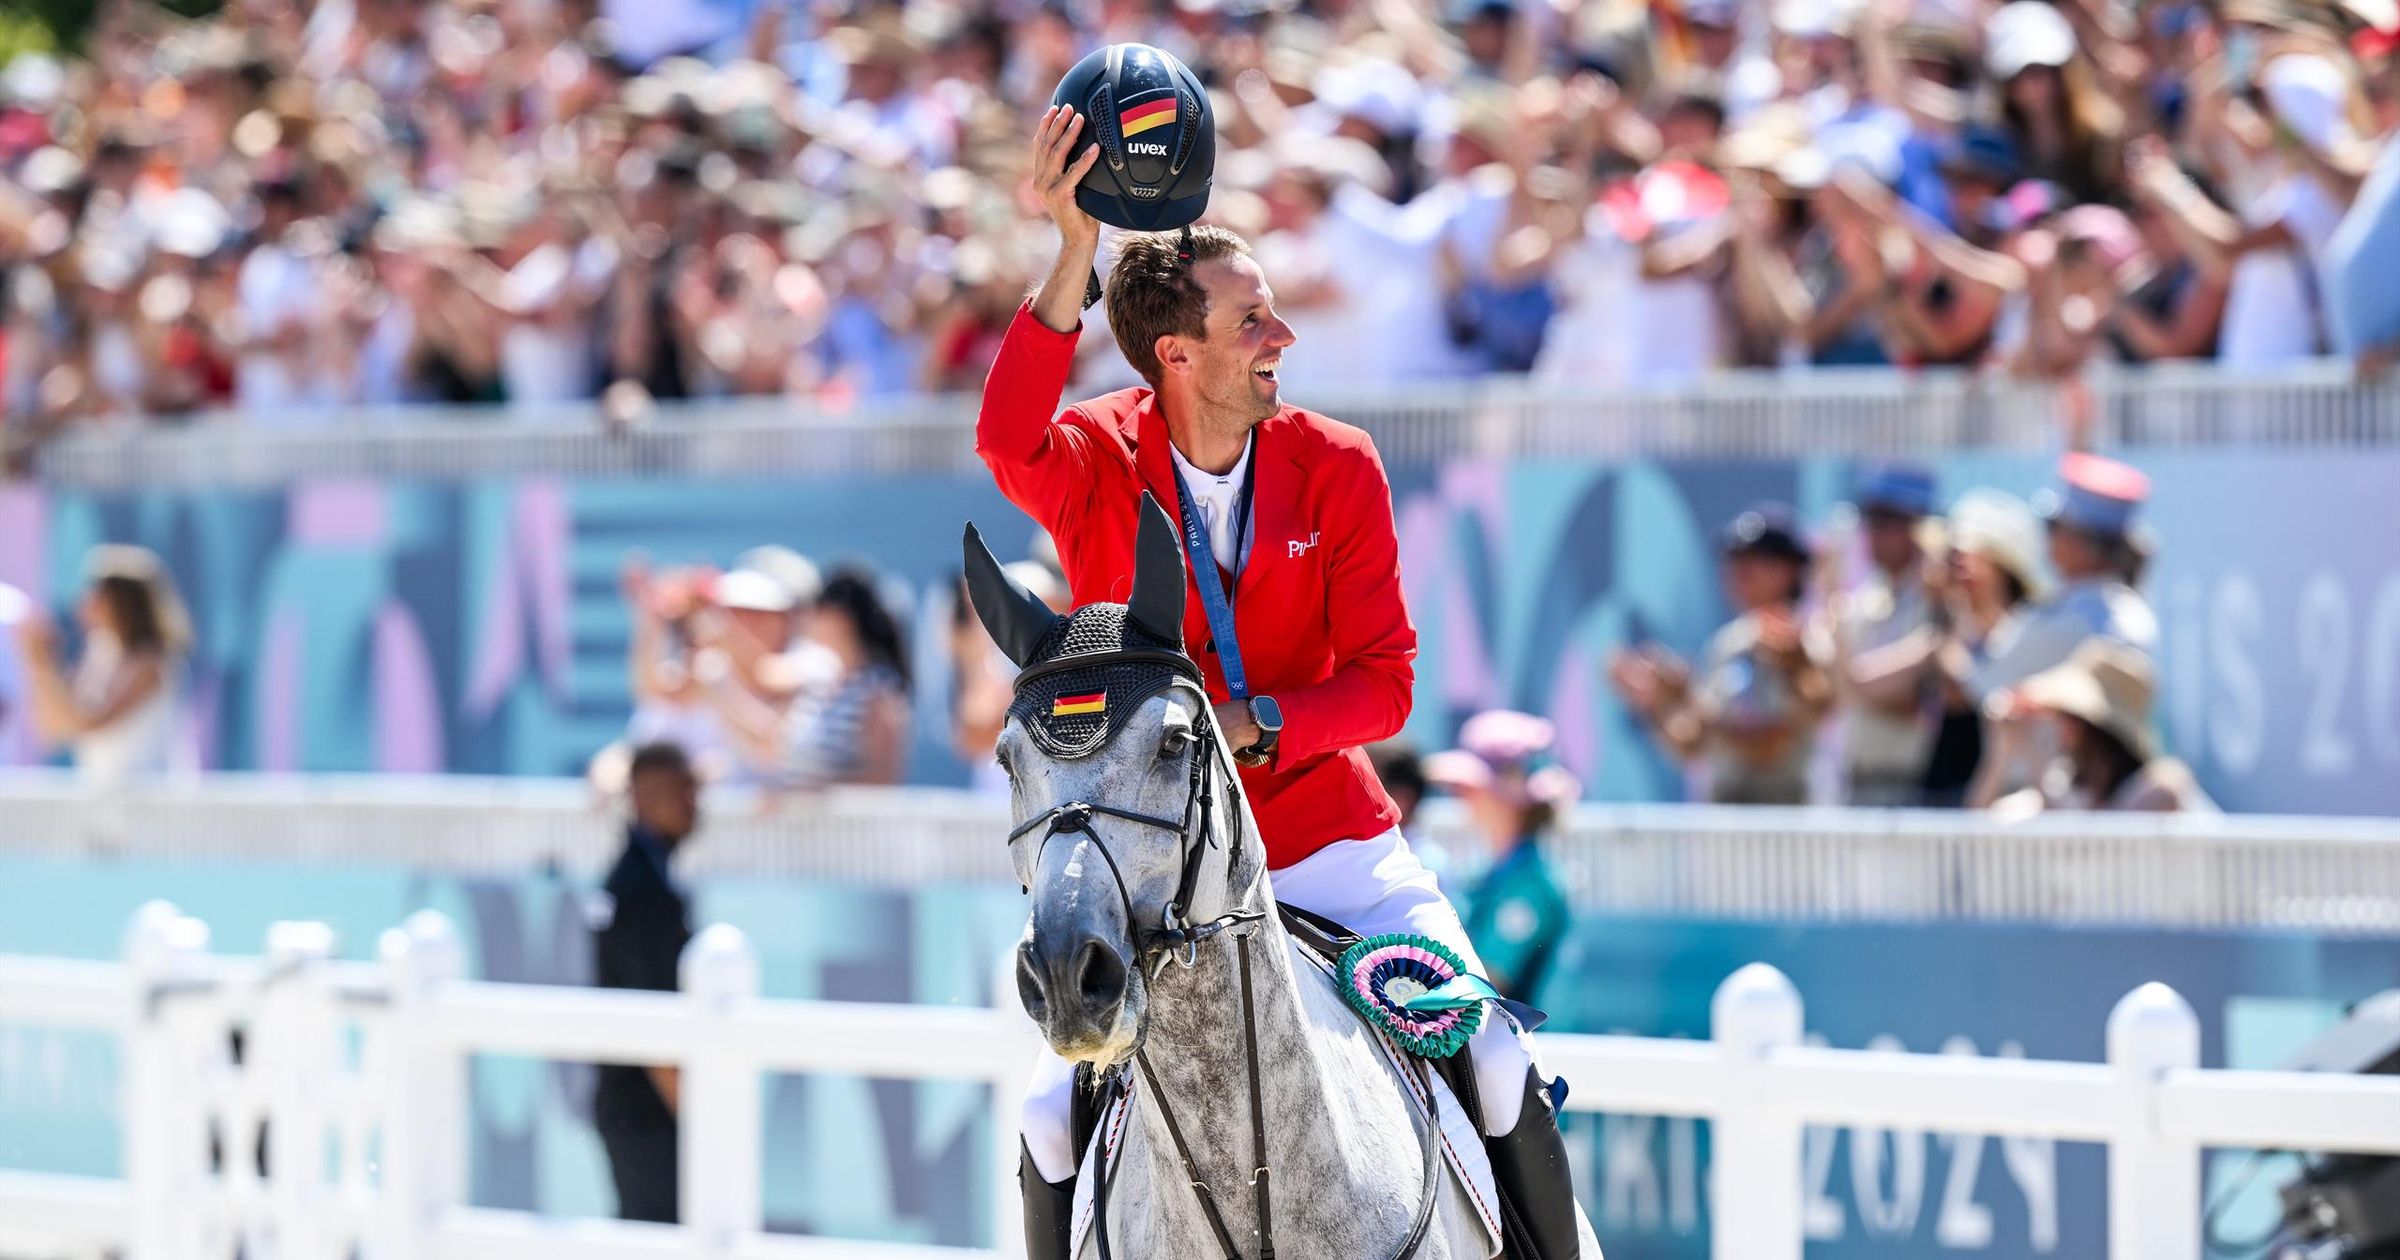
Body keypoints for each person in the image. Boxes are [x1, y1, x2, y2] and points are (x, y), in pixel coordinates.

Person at [986, 104, 1583, 1260]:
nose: (1282, 336)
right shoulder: (1100, 458)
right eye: (1252, 317)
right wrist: (1071, 251)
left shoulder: (1337, 464)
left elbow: (1387, 687)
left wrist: (1263, 723)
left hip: (1327, 843)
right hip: (1162, 871)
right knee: (1047, 1116)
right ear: (1177, 353)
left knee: (1498, 1060)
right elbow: (1007, 440)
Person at [1963, 454, 2159, 805]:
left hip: (2054, 797)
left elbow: (1979, 677)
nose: (2048, 539)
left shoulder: (2073, 617)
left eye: (2055, 527)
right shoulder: (2128, 610)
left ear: (2083, 541)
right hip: (2076, 796)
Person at [1610, 503, 1833, 805]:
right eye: (1734, 561)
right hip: (1726, 816)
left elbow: (1770, 748)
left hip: (1786, 820)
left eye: (1755, 561)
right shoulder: (1728, 642)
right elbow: (1693, 746)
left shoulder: (1810, 642)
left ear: (1789, 569)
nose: (1740, 574)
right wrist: (1657, 703)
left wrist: (1692, 701)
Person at [591, 741, 701, 1224]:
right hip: (647, 1111)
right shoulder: (643, 888)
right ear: (648, 795)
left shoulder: (636, 877)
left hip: (633, 1106)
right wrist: (696, 1114)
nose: (696, 805)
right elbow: (652, 1016)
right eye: (685, 790)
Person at [1423, 711, 1578, 1004]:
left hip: (1528, 1045)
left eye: (1472, 785)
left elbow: (1488, 982)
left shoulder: (1532, 883)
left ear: (1514, 787)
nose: (1461, 794)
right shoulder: (1489, 870)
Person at [13, 545, 190, 787]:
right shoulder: (101, 652)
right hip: (102, 796)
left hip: (147, 801)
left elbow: (91, 723)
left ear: (123, 603)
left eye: (96, 595)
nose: (84, 604)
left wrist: (44, 662)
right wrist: (40, 663)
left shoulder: (153, 663)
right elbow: (53, 728)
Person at [1819, 466, 1940, 806]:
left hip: (1915, 786)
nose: (1873, 533)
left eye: (1888, 521)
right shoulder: (1867, 600)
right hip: (1860, 782)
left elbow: (1870, 686)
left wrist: (1830, 596)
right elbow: (1836, 692)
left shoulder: (1938, 603)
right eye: (1871, 520)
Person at [1988, 639, 2216, 814]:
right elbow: (1981, 828)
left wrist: (2034, 761)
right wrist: (2003, 752)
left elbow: (2090, 854)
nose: (2060, 729)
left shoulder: (2163, 785)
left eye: (2067, 717)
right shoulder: (2072, 792)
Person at [777, 566, 913, 789]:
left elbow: (882, 779)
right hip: (805, 821)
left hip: (847, 823)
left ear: (842, 620)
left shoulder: (879, 688)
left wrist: (816, 795)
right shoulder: (820, 681)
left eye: (819, 609)